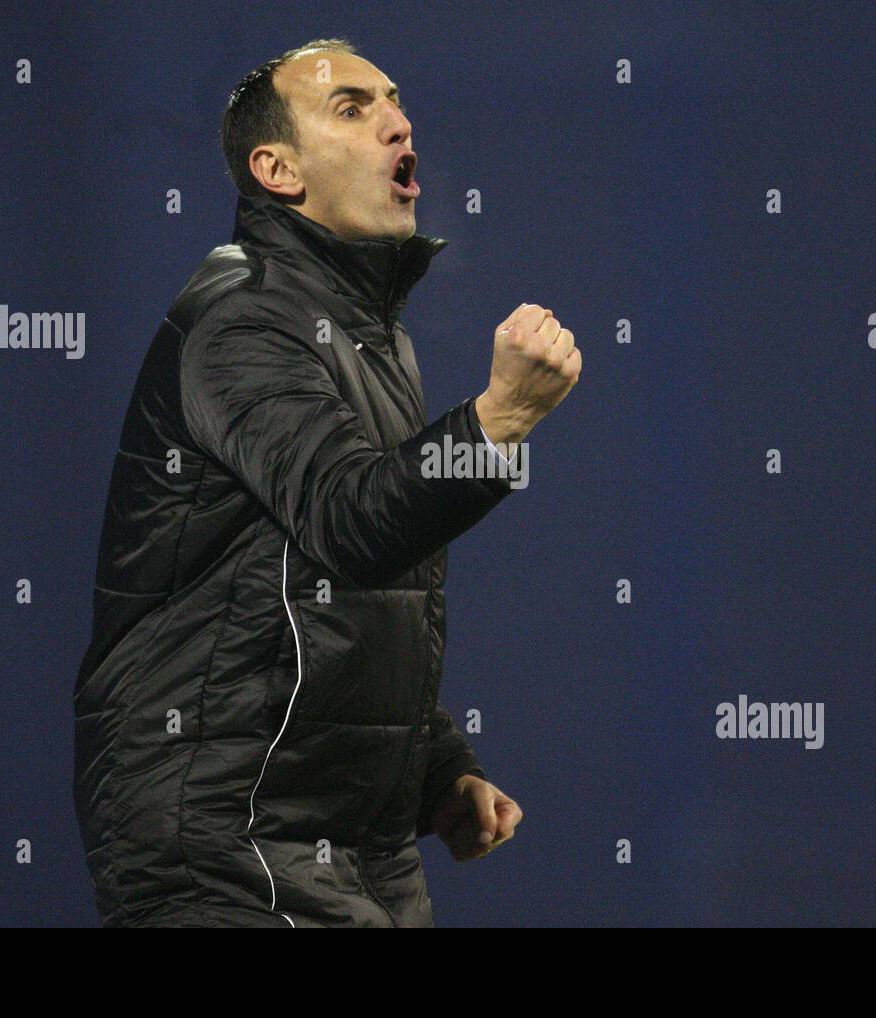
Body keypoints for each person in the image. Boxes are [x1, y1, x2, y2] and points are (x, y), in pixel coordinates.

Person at [72, 37, 581, 927]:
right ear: (277, 169)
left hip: (349, 845)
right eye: (351, 107)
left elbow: (341, 595)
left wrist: (434, 766)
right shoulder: (240, 321)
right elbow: (351, 523)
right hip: (223, 842)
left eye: (394, 100)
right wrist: (499, 422)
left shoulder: (366, 339)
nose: (396, 120)